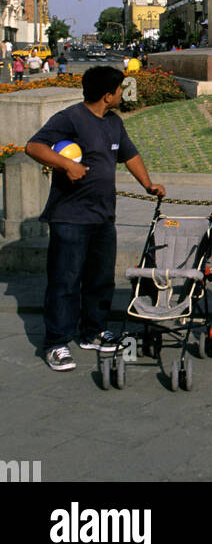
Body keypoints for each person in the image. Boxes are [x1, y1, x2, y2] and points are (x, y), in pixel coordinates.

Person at [25, 65, 165, 371]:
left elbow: (130, 154)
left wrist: (148, 184)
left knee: (100, 279)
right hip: (71, 218)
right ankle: (56, 342)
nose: (122, 93)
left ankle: (93, 331)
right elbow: (33, 146)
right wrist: (65, 165)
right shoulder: (71, 118)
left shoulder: (114, 123)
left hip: (103, 217)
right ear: (108, 94)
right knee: (65, 281)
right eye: (120, 89)